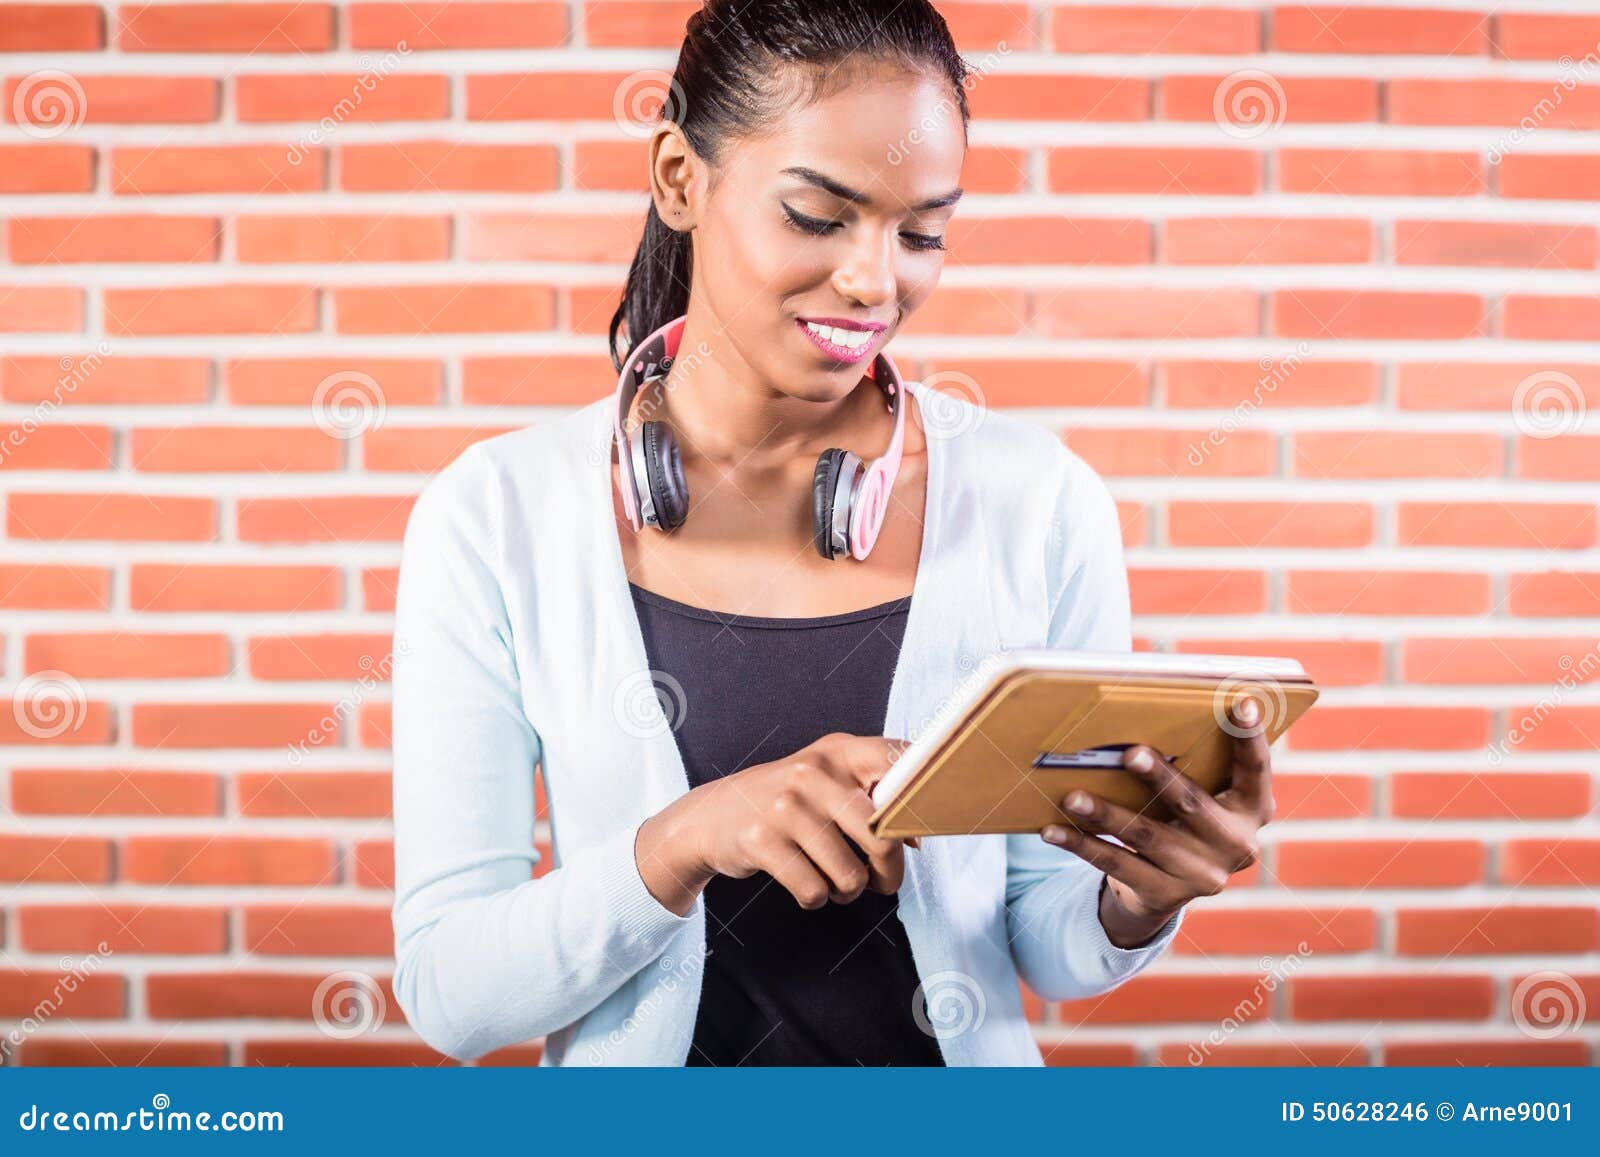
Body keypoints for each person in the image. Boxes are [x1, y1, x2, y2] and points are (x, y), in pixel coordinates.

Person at [391, 0, 1273, 1067]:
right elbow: (451, 994)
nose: (874, 280)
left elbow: (1047, 942)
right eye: (817, 215)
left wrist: (1136, 895)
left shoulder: (1038, 500)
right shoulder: (495, 514)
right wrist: (679, 843)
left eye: (922, 231)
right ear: (679, 177)